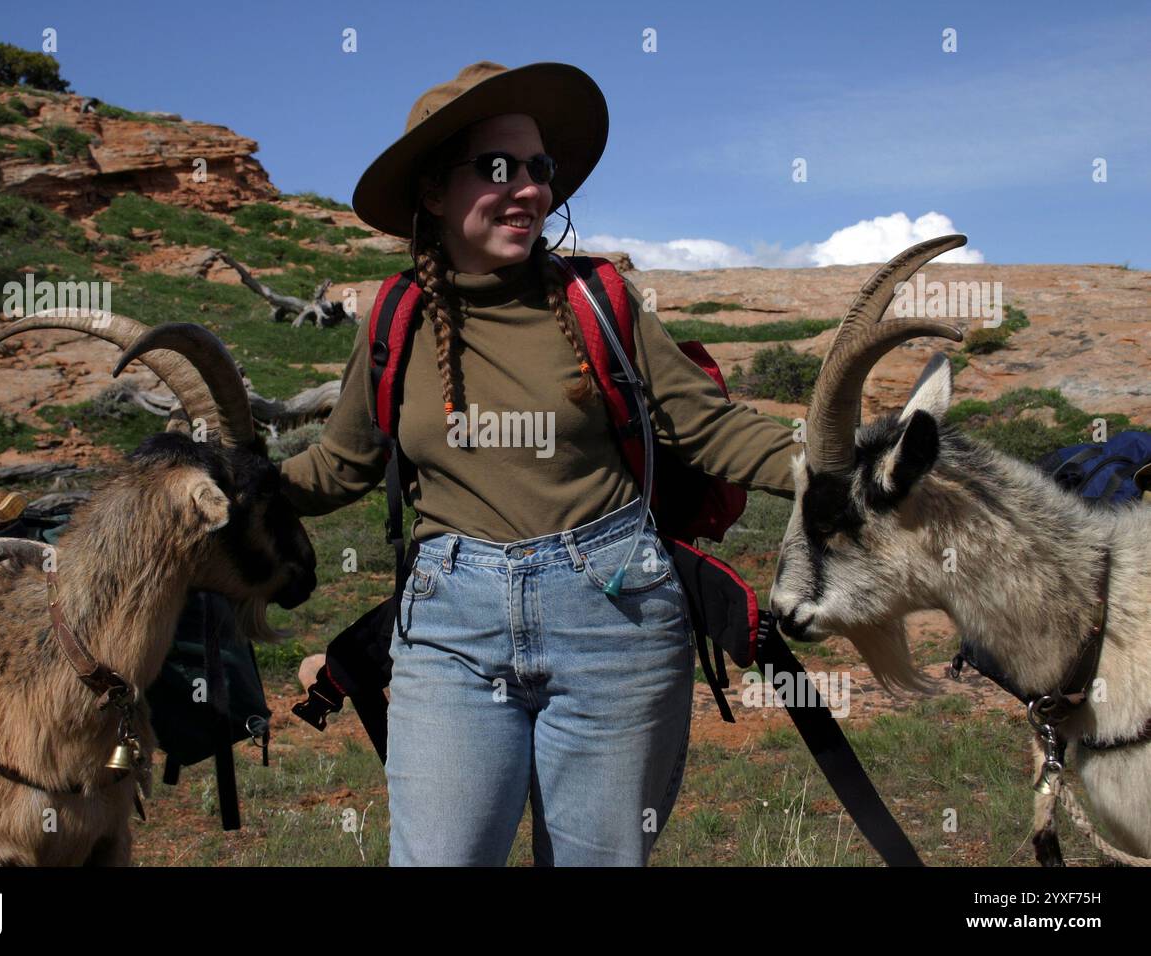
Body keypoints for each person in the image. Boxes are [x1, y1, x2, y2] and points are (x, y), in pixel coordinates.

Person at [279, 60, 799, 866]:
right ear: (431, 193)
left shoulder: (601, 301)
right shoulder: (392, 317)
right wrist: (225, 487)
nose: (528, 188)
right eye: (497, 168)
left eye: (539, 168)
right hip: (450, 622)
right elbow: (338, 468)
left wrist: (840, 468)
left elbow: (712, 431)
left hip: (616, 615)